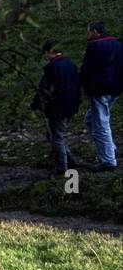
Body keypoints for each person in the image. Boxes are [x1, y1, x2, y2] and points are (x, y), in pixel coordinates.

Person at [32, 40, 81, 177]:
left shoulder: (52, 67)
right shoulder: (70, 63)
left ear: (50, 51)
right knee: (57, 133)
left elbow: (44, 88)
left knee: (56, 136)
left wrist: (36, 104)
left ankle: (62, 168)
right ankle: (70, 160)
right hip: (71, 103)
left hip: (58, 104)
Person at [80, 21, 121, 171]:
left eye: (89, 31)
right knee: (90, 119)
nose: (88, 34)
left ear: (95, 32)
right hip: (115, 88)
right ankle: (110, 148)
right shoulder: (117, 44)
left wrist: (84, 85)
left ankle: (108, 161)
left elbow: (88, 69)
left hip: (100, 89)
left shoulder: (94, 46)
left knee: (100, 125)